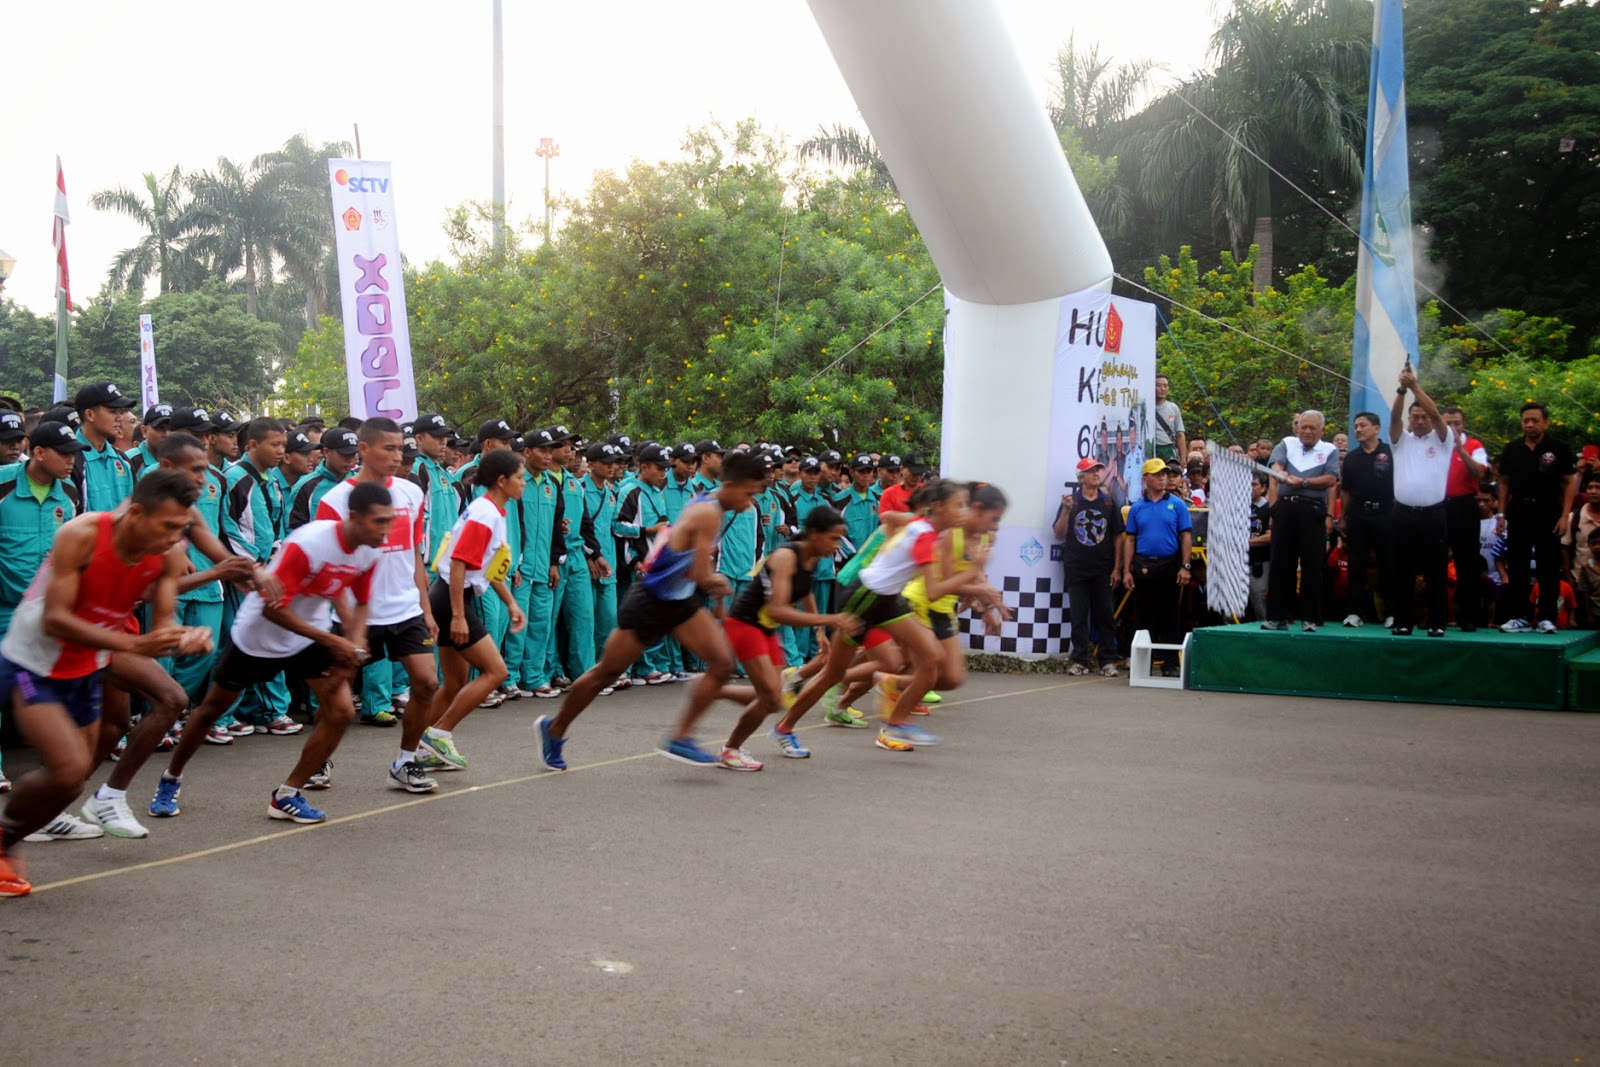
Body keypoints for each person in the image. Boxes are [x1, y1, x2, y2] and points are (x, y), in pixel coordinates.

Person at [0, 472, 206, 895]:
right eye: (168, 526)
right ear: (135, 513)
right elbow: (57, 619)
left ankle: (7, 842)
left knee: (72, 781)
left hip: (86, 665)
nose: (175, 538)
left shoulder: (167, 554)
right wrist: (137, 643)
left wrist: (183, 638)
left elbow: (163, 625)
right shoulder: (82, 535)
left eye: (182, 528)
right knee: (69, 768)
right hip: (33, 661)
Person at [149, 482, 394, 824]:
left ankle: (287, 794)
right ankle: (170, 778)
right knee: (209, 712)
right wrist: (335, 642)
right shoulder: (310, 544)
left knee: (339, 711)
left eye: (390, 521)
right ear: (354, 518)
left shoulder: (370, 548)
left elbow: (361, 600)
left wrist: (355, 639)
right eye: (380, 521)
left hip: (308, 634)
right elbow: (271, 610)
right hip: (260, 635)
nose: (387, 530)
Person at [536, 450, 768, 770]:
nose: (750, 502)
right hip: (651, 601)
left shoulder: (712, 508)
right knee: (606, 673)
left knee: (721, 663)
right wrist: (719, 584)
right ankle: (555, 727)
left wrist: (713, 598)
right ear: (732, 484)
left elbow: (695, 564)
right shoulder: (708, 513)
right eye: (750, 494)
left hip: (679, 602)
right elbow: (702, 574)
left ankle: (681, 737)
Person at [771, 479, 980, 753]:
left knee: (931, 658)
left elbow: (893, 520)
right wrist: (974, 571)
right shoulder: (925, 534)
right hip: (864, 599)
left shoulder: (930, 527)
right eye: (959, 505)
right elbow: (932, 591)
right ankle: (784, 727)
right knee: (832, 674)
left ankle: (896, 723)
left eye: (966, 505)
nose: (964, 510)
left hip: (887, 600)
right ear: (938, 507)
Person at [315, 418, 443, 790]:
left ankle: (405, 762)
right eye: (388, 448)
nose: (396, 456)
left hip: (405, 609)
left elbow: (414, 555)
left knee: (426, 682)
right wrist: (348, 622)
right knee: (337, 691)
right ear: (364, 449)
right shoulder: (335, 500)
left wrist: (427, 608)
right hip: (356, 614)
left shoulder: (410, 493)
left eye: (400, 448)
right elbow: (327, 567)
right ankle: (319, 759)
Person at [715, 507, 857, 770]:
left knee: (775, 697)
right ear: (814, 534)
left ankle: (712, 690)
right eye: (833, 539)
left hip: (764, 627)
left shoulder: (811, 557)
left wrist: (818, 632)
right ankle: (730, 749)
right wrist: (829, 620)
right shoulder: (785, 556)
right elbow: (777, 609)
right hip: (746, 624)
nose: (837, 546)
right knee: (770, 698)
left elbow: (805, 592)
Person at [420, 449, 528, 767]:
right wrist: (457, 615)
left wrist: (510, 603)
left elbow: (492, 567)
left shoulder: (496, 511)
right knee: (496, 671)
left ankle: (417, 748)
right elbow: (458, 563)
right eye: (520, 478)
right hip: (450, 597)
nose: (523, 484)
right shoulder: (485, 513)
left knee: (455, 681)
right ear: (501, 480)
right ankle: (439, 735)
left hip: (452, 596)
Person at [1496, 402, 1577, 633]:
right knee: (1518, 566)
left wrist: (1565, 516)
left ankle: (1546, 618)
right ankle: (1518, 617)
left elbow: (1569, 481)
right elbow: (1503, 482)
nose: (1530, 424)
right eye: (1526, 420)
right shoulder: (1512, 448)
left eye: (1535, 420)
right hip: (1519, 512)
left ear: (1546, 422)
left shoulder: (1558, 448)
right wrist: (1501, 514)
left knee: (1548, 567)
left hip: (1549, 513)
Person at [1388, 366, 1454, 636]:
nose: (1418, 421)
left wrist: (1415, 386)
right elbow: (1393, 418)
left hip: (1433, 514)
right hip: (1402, 514)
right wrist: (1402, 390)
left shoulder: (1443, 440)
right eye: (1414, 417)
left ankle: (1437, 622)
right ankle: (1403, 621)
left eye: (1422, 416)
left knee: (1435, 571)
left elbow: (1438, 414)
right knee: (1401, 571)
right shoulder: (1400, 440)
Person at [1262, 411, 1340, 632]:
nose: (1306, 431)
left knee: (1312, 565)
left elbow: (1331, 478)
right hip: (1286, 507)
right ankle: (1277, 617)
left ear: (1322, 431)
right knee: (1280, 563)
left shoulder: (1329, 450)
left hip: (1312, 510)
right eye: (1303, 427)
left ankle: (1310, 618)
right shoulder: (1287, 443)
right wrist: (1280, 473)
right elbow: (1275, 464)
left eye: (1312, 428)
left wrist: (1303, 482)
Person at [1122, 458, 1193, 676]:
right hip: (1143, 565)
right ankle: (1144, 664)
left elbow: (1186, 536)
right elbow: (1130, 540)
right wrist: (1126, 570)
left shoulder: (1178, 504)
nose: (1163, 477)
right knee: (1144, 617)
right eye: (1157, 474)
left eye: (1165, 474)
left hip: (1170, 564)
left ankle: (1171, 664)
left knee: (1170, 615)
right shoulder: (1137, 507)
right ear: (1145, 479)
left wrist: (1185, 566)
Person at [1054, 458, 1122, 676]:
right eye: (1091, 471)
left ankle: (1108, 660)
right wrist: (1066, 511)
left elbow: (1118, 537)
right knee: (1078, 616)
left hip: (1103, 568)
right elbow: (1059, 533)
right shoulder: (1071, 502)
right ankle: (1080, 660)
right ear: (1080, 478)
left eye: (1098, 470)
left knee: (1106, 616)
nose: (1096, 473)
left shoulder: (1109, 502)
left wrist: (1117, 568)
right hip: (1077, 568)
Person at [1337, 411, 1394, 627]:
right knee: (1356, 565)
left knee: (1388, 564)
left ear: (1377, 428)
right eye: (1356, 426)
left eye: (1363, 425)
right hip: (1358, 515)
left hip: (1385, 513)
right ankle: (1355, 613)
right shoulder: (1351, 458)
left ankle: (1391, 612)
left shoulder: (1389, 453)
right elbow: (1347, 490)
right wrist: (1342, 517)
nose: (1358, 430)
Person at [1441, 406, 1490, 630]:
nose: (1451, 428)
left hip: (1464, 506)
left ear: (1463, 424)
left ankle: (1467, 617)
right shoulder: (1433, 444)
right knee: (1435, 562)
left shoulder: (1474, 446)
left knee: (1467, 563)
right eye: (1447, 423)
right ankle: (1436, 615)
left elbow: (1480, 473)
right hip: (1437, 507)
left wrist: (1460, 448)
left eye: (1456, 423)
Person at [72, 381, 138, 512]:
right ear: (90, 414)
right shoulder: (71, 460)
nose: (119, 418)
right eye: (113, 411)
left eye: (120, 412)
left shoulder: (122, 461)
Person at [287, 427, 359, 531]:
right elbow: (293, 528)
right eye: (344, 455)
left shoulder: (361, 483)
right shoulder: (305, 486)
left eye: (353, 454)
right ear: (326, 452)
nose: (350, 460)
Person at [1248, 473, 1272, 620]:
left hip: (1259, 564)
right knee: (1233, 610)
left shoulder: (1269, 508)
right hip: (1237, 565)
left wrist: (1245, 541)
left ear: (1263, 488)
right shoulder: (1237, 506)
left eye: (1253, 484)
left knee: (1260, 606)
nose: (1249, 488)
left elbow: (1271, 536)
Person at [1152, 374, 1186, 462]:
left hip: (1168, 449)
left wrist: (1183, 458)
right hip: (1151, 448)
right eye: (1158, 385)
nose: (1162, 389)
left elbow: (1180, 434)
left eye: (1165, 386)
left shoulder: (1173, 407)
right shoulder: (1146, 407)